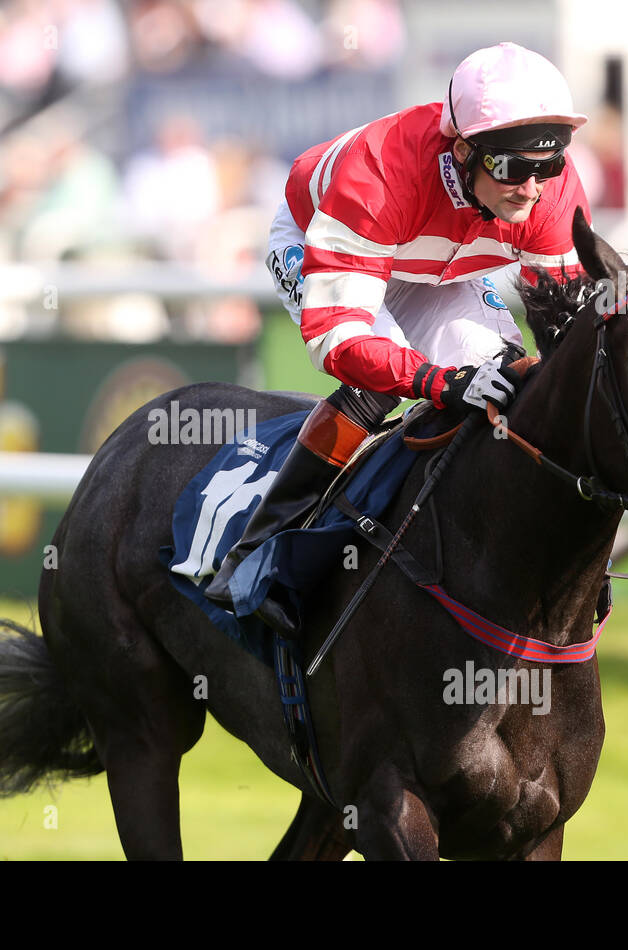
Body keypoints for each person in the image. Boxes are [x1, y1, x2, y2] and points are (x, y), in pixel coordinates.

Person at [205, 42, 592, 636]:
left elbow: (564, 334)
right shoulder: (380, 172)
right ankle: (256, 555)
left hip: (441, 266)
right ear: (463, 150)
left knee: (510, 378)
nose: (534, 187)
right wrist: (439, 381)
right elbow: (336, 341)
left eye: (550, 164)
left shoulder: (549, 191)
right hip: (325, 238)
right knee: (376, 388)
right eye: (514, 168)